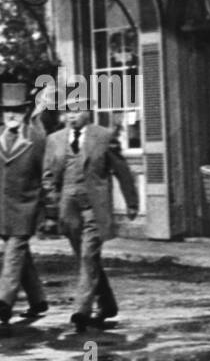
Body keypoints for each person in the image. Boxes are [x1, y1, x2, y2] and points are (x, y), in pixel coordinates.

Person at [41, 96, 139, 332]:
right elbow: (47, 177)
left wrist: (132, 202)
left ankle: (81, 310)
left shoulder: (104, 137)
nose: (71, 116)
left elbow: (123, 172)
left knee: (88, 256)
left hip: (95, 208)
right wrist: (53, 204)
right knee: (88, 260)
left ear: (88, 112)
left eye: (77, 111)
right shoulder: (54, 140)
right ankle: (107, 306)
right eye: (67, 112)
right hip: (69, 210)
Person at [0, 81, 48, 326]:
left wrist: (48, 212)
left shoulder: (37, 139)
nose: (11, 115)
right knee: (19, 253)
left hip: (26, 206)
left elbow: (45, 175)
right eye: (7, 111)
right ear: (1, 113)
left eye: (16, 110)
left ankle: (3, 299)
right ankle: (38, 300)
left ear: (26, 111)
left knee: (14, 251)